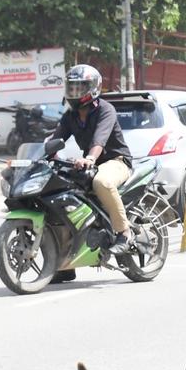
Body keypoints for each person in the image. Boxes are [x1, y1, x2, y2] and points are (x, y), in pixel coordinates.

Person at [52, 64, 134, 255]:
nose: (74, 92)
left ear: (93, 88)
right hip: (91, 165)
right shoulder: (70, 116)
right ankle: (64, 262)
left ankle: (124, 232)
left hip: (117, 161)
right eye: (71, 87)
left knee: (102, 182)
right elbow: (55, 140)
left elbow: (100, 139)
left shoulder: (106, 110)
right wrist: (40, 156)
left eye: (79, 87)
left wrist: (90, 158)